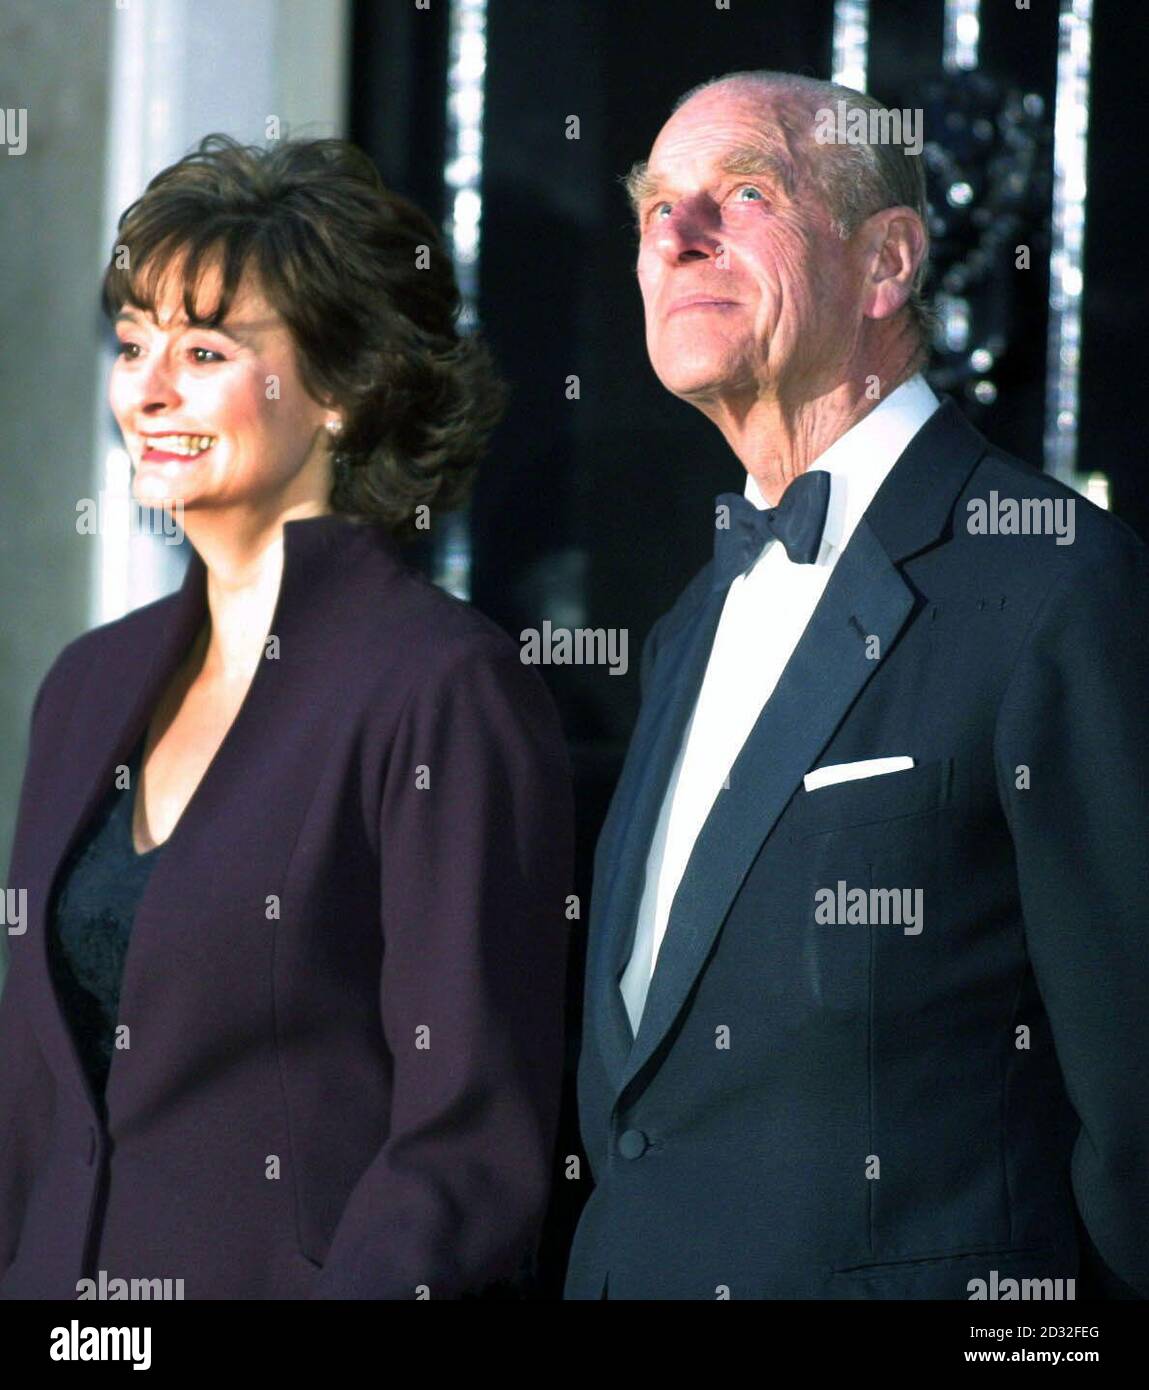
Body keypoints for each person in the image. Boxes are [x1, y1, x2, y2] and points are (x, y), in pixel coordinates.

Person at [565, 71, 1149, 1300]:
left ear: (886, 262)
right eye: (656, 209)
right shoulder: (686, 626)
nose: (678, 235)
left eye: (744, 192)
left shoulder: (1056, 583)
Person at [0, 134, 573, 1300]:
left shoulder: (444, 688)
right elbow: (29, 1093)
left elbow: (467, 1142)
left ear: (347, 390)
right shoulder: (86, 686)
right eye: (132, 345)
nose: (146, 391)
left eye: (203, 350)